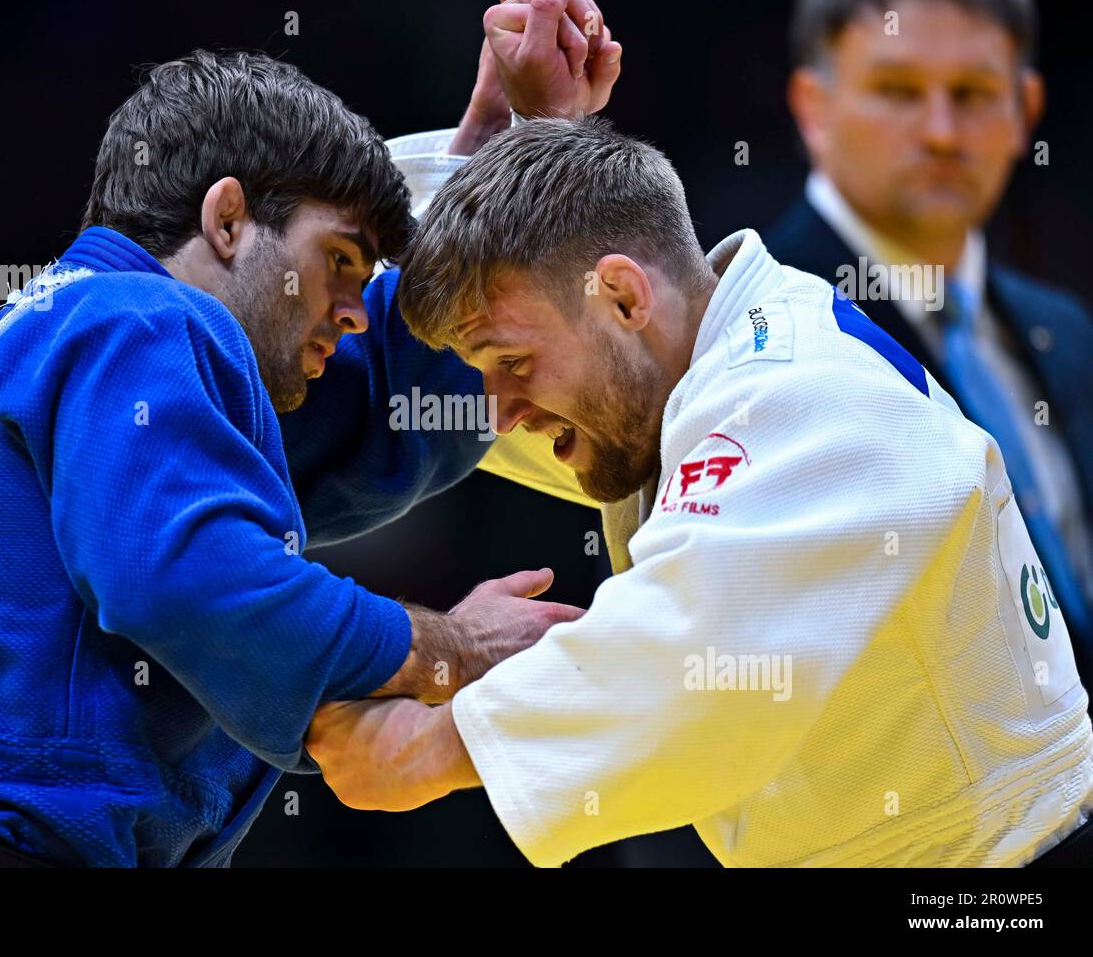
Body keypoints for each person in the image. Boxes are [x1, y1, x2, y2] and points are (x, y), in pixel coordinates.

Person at [0, 0, 615, 868]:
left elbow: (383, 399)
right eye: (341, 260)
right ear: (228, 219)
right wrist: (454, 646)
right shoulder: (139, 318)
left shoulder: (93, 329)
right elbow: (191, 578)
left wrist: (505, 156)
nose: (354, 312)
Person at [305, 117, 1093, 868]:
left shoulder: (793, 390)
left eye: (510, 361)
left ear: (621, 296)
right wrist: (478, 141)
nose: (499, 410)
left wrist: (427, 749)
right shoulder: (705, 360)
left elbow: (690, 657)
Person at [765, 0, 1093, 679]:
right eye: (898, 91)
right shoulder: (756, 330)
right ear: (812, 108)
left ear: (1025, 112)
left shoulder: (1066, 332)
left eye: (973, 95)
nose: (942, 132)